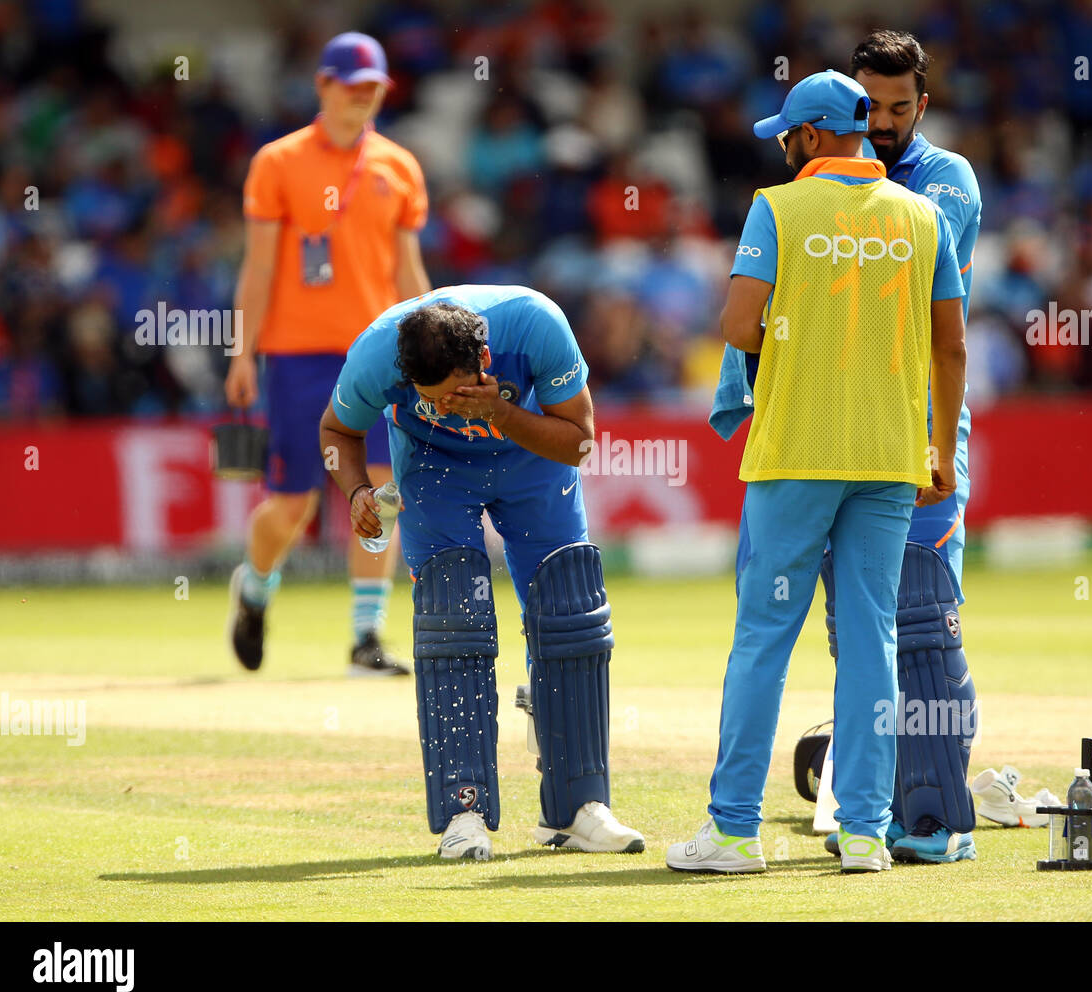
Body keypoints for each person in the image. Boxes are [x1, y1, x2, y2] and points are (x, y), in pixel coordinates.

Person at [668, 70, 967, 875]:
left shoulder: (777, 207)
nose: (782, 148)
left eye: (786, 136)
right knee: (872, 638)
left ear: (809, 135)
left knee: (764, 639)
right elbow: (952, 346)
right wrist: (939, 449)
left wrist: (799, 333)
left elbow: (738, 324)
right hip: (890, 456)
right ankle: (865, 832)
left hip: (797, 451)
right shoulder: (924, 215)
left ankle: (734, 832)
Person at [318, 284, 645, 860]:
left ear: (485, 359)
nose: (446, 407)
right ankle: (462, 812)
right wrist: (357, 491)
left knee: (570, 613)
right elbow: (336, 431)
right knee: (453, 621)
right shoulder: (378, 352)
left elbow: (580, 444)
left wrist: (497, 411)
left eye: (455, 394)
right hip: (434, 468)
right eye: (432, 399)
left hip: (533, 456)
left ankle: (578, 809)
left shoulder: (536, 324)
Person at [224, 31, 431, 677]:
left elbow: (408, 270)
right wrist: (241, 353)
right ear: (323, 85)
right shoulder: (278, 162)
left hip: (379, 352)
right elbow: (259, 267)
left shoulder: (399, 167)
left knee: (382, 493)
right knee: (294, 502)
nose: (363, 98)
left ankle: (366, 638)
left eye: (374, 88)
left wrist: (434, 348)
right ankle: (255, 587)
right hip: (297, 356)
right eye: (353, 86)